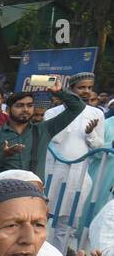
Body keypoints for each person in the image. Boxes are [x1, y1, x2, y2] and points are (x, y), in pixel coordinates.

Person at [0, 83, 86, 188]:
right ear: (8, 110)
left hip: (33, 194)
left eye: (29, 105)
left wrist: (60, 91)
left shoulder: (44, 130)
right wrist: (3, 156)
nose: (25, 109)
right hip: (2, 194)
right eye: (19, 106)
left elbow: (78, 107)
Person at [43, 73, 105, 218]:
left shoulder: (96, 113)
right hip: (53, 171)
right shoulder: (52, 113)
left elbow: (99, 151)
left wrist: (90, 134)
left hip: (79, 174)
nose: (86, 91)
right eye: (81, 87)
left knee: (69, 221)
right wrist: (70, 114)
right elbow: (55, 139)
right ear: (70, 90)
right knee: (45, 216)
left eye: (89, 87)